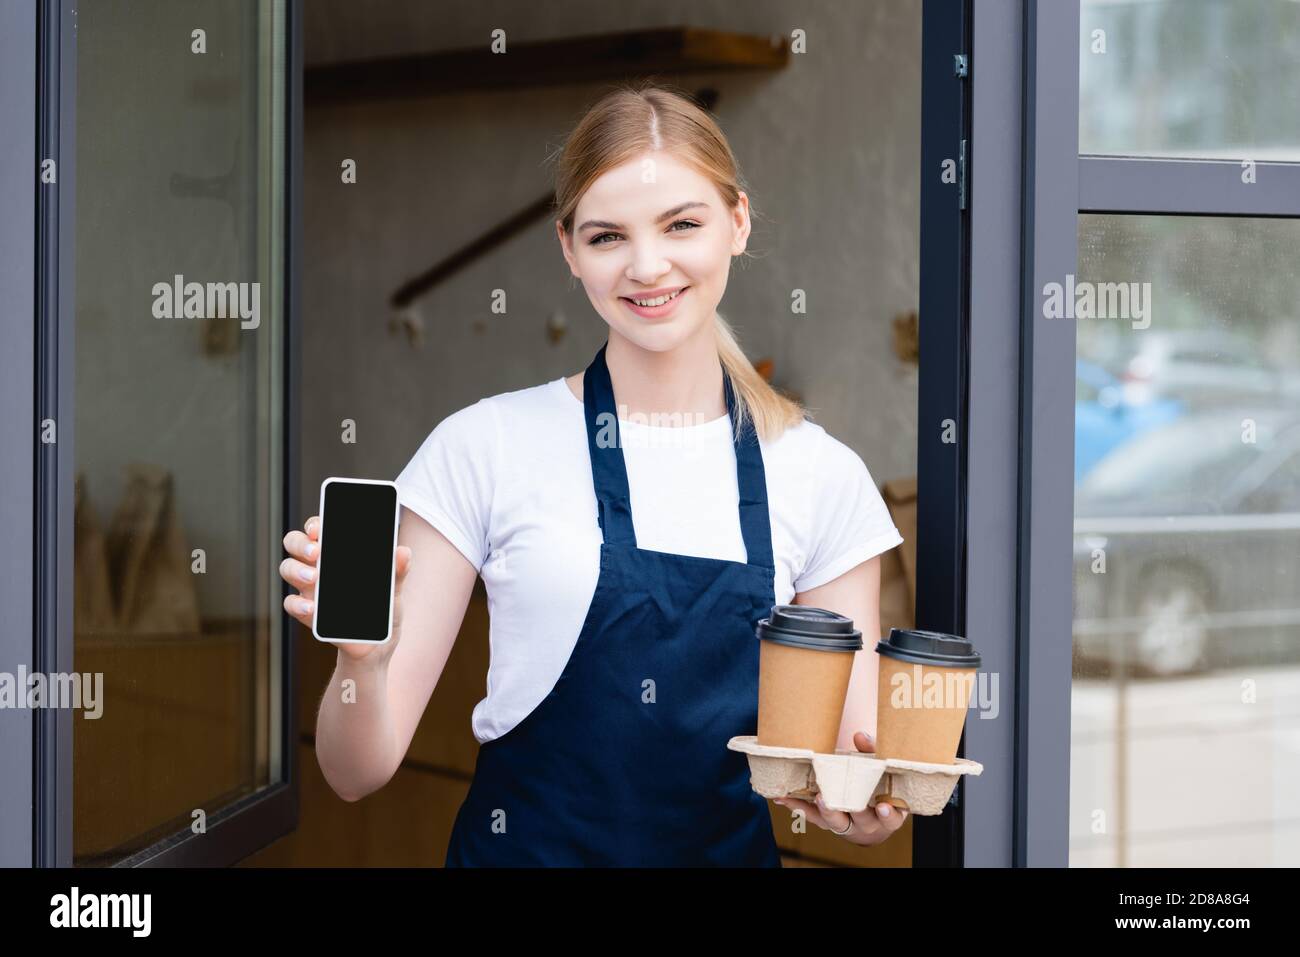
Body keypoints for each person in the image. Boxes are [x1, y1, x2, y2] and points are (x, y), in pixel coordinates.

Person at [280, 83, 906, 866]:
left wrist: (867, 805)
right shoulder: (485, 447)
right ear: (568, 249)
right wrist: (358, 664)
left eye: (683, 223)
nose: (648, 266)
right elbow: (353, 772)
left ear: (737, 222)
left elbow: (853, 763)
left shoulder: (821, 475)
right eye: (608, 236)